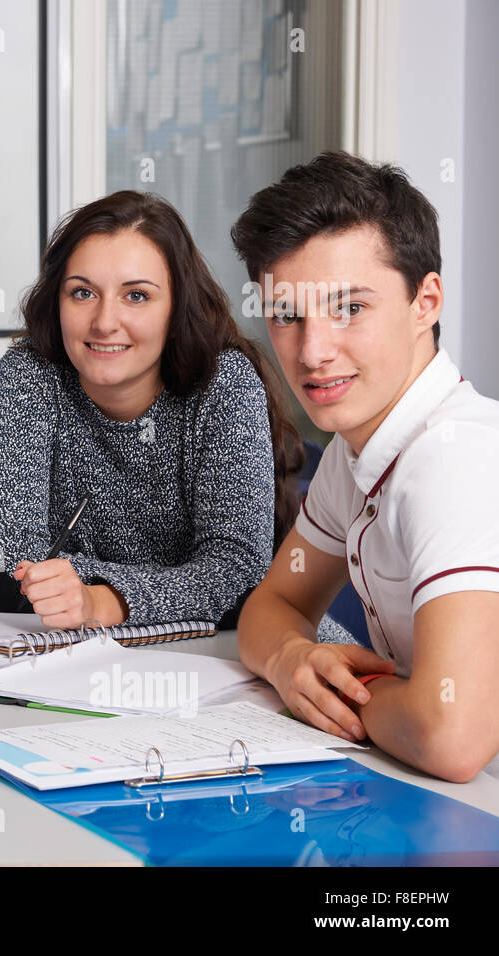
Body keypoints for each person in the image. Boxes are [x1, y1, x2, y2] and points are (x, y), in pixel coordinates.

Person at [232, 151, 499, 782]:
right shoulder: (358, 449)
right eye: (287, 315)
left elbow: (451, 736)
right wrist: (295, 660)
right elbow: (273, 604)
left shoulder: (452, 457)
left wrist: (341, 697)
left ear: (425, 301)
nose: (314, 351)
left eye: (349, 307)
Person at [0, 190, 304, 629]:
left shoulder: (223, 381)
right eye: (82, 293)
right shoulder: (30, 373)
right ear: (57, 301)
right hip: (77, 663)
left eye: (136, 297)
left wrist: (103, 602)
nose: (105, 322)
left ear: (176, 308)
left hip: (235, 657)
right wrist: (172, 586)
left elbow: (238, 572)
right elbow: (1, 564)